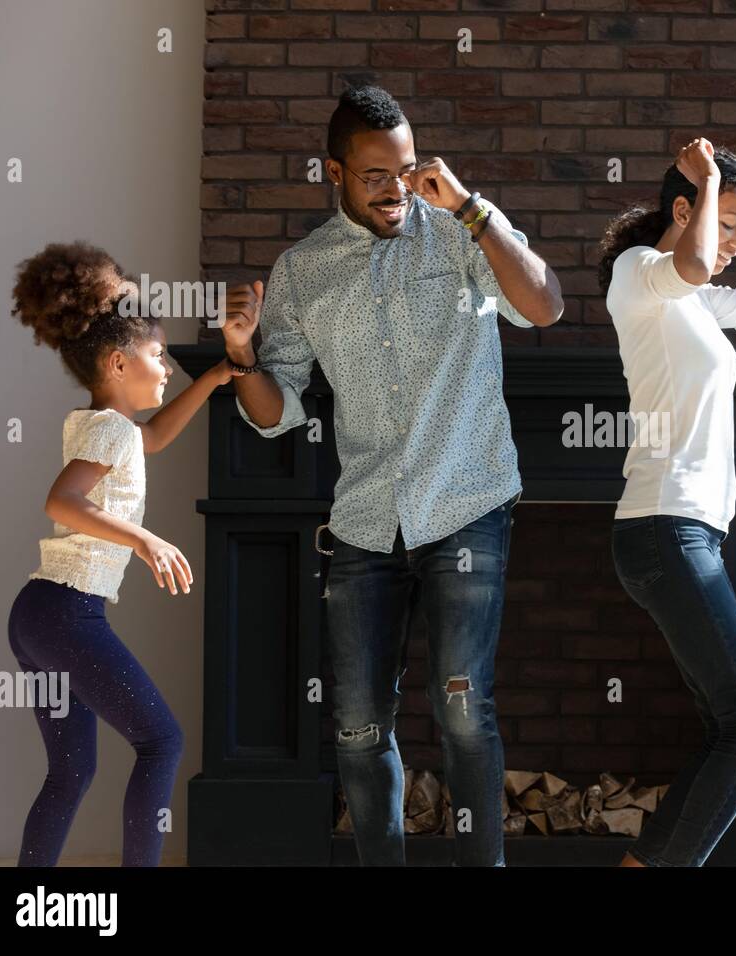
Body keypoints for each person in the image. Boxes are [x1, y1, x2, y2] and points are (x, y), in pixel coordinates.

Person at [221, 85, 563, 866]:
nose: (396, 188)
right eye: (375, 173)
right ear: (335, 172)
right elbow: (275, 412)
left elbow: (543, 307)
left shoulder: (457, 233)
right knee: (356, 724)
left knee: (464, 710)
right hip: (366, 521)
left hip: (468, 500)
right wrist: (240, 355)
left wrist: (475, 210)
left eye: (405, 169)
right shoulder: (302, 270)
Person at [598, 138, 736, 866]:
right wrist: (714, 181)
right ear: (684, 209)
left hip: (685, 532)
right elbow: (685, 261)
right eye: (725, 227)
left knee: (732, 726)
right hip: (664, 525)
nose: (735, 248)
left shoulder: (699, 302)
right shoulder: (640, 275)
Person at [9, 241, 237, 865]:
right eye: (158, 356)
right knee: (161, 742)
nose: (166, 369)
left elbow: (155, 438)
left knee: (71, 772)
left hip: (38, 618)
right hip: (65, 614)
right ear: (116, 361)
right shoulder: (110, 430)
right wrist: (145, 540)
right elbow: (62, 501)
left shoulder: (102, 424)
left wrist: (216, 377)